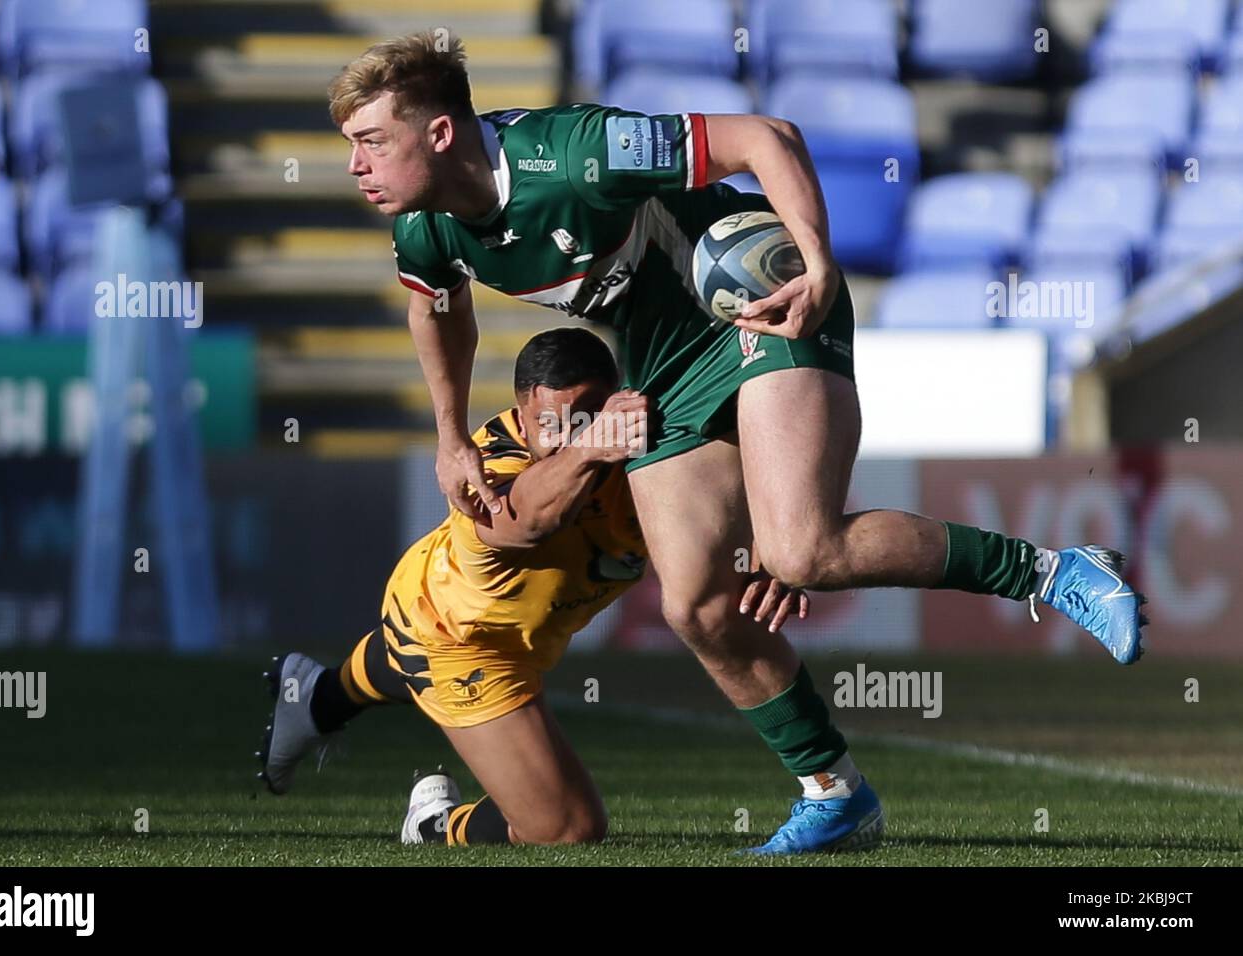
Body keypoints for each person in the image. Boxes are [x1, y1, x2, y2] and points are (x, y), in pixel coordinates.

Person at [325, 32, 1146, 854]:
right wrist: (450, 438)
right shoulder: (427, 226)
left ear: (438, 134)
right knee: (701, 606)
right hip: (661, 364)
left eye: (371, 142)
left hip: (758, 302)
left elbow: (766, 138)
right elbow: (436, 309)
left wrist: (819, 264)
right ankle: (836, 794)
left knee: (805, 549)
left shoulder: (571, 156)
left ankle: (1058, 571)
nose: (356, 165)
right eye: (351, 146)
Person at [256, 327, 812, 847]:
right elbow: (523, 524)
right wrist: (592, 445)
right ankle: (434, 823)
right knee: (568, 828)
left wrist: (772, 547)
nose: (562, 435)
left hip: (490, 618)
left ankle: (318, 696)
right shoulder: (495, 456)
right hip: (458, 639)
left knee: (402, 658)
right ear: (522, 408)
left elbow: (739, 455)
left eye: (586, 416)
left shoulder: (646, 442)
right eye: (550, 422)